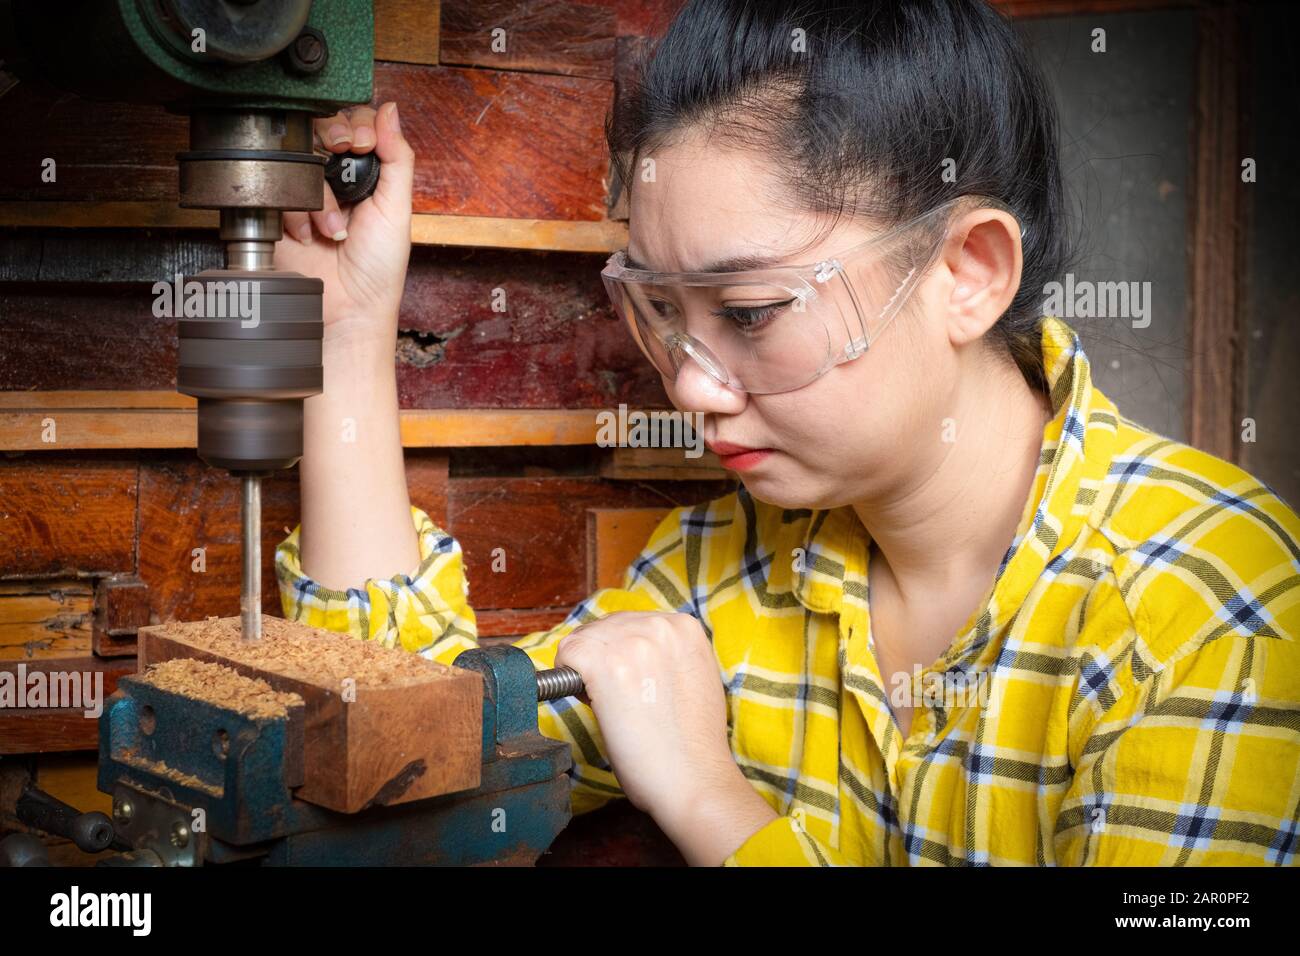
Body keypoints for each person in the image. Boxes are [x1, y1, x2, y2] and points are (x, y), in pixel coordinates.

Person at [272, 0, 1300, 866]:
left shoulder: (1203, 599)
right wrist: (350, 333)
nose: (691, 385)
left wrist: (714, 805)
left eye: (752, 311)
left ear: (967, 272)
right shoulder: (723, 572)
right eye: (664, 313)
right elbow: (405, 744)